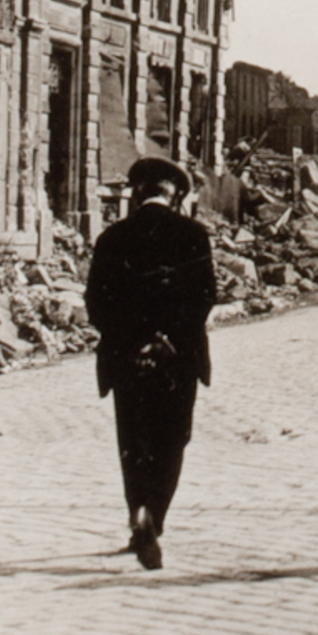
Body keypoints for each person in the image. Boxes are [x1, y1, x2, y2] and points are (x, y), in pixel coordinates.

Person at [84, 155, 218, 570]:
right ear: (175, 194)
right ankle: (154, 519)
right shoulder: (194, 235)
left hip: (128, 356)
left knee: (134, 440)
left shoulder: (112, 238)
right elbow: (204, 296)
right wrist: (167, 338)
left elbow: (96, 303)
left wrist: (136, 339)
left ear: (137, 193)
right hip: (177, 358)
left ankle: (138, 512)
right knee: (172, 439)